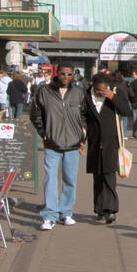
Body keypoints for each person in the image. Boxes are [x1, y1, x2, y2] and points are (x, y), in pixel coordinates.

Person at [29, 64, 86, 230]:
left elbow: (84, 115)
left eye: (69, 74)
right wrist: (44, 133)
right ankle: (49, 215)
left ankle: (66, 212)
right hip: (52, 143)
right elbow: (35, 114)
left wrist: (82, 134)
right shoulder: (44, 91)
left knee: (70, 180)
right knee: (50, 179)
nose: (66, 77)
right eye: (63, 74)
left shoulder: (78, 92)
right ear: (57, 74)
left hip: (73, 143)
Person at [84, 71, 132, 224]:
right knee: (97, 177)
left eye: (104, 89)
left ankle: (110, 210)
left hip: (112, 141)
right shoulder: (85, 96)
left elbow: (126, 111)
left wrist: (112, 97)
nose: (101, 92)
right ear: (93, 87)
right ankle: (99, 209)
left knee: (109, 176)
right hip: (94, 141)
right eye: (99, 90)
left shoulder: (113, 94)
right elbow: (82, 117)